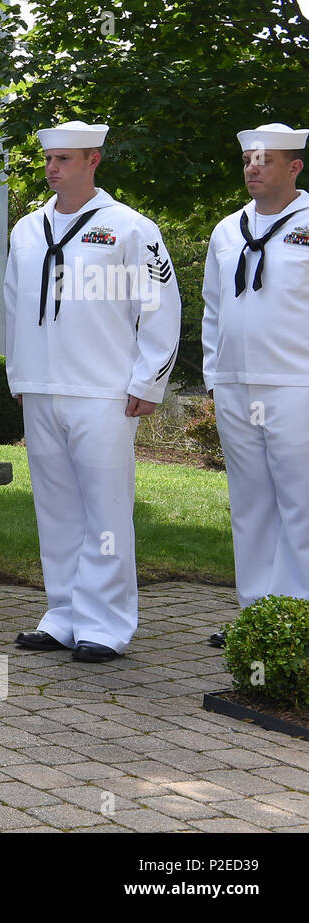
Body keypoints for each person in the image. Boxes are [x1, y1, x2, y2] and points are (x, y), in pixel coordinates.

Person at [4, 120, 181, 663]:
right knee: (55, 507)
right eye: (49, 159)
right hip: (41, 387)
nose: (53, 168)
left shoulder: (130, 227)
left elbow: (160, 306)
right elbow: (13, 305)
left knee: (105, 510)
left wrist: (149, 380)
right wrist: (19, 375)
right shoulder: (27, 229)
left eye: (65, 159)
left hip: (104, 389)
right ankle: (63, 612)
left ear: (93, 160)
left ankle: (105, 622)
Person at [201, 122, 309, 647]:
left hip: (297, 383)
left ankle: (297, 618)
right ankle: (256, 616)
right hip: (236, 385)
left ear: (295, 167)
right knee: (249, 503)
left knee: (301, 502)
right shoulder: (227, 230)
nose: (253, 168)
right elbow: (213, 307)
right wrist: (213, 373)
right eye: (248, 159)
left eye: (265, 160)